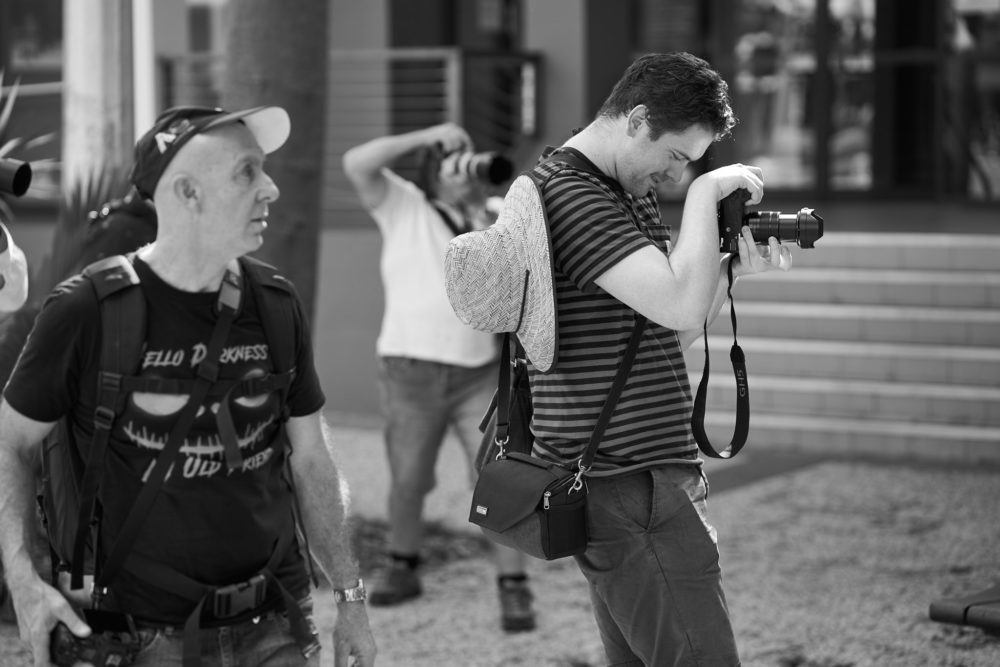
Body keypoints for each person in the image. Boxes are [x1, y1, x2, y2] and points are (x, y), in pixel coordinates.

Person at [0, 105, 377, 666]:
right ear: (187, 193)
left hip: (274, 623)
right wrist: (26, 586)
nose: (270, 188)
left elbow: (312, 461)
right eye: (246, 172)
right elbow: (12, 444)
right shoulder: (86, 310)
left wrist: (350, 599)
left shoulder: (275, 303)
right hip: (135, 639)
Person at [520, 52, 793, 665]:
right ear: (637, 119)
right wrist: (704, 195)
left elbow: (665, 339)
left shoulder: (618, 189)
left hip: (637, 479)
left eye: (689, 166)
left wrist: (726, 277)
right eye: (675, 156)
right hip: (628, 482)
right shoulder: (572, 194)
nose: (675, 176)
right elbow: (674, 304)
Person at [342, 123, 537, 632]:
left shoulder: (493, 219)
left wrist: (480, 204)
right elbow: (356, 162)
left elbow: (514, 278)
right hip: (411, 371)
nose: (463, 166)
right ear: (433, 170)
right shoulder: (404, 206)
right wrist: (429, 135)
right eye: (452, 160)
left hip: (479, 374)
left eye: (468, 158)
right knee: (409, 479)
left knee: (497, 477)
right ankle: (403, 566)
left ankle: (512, 585)